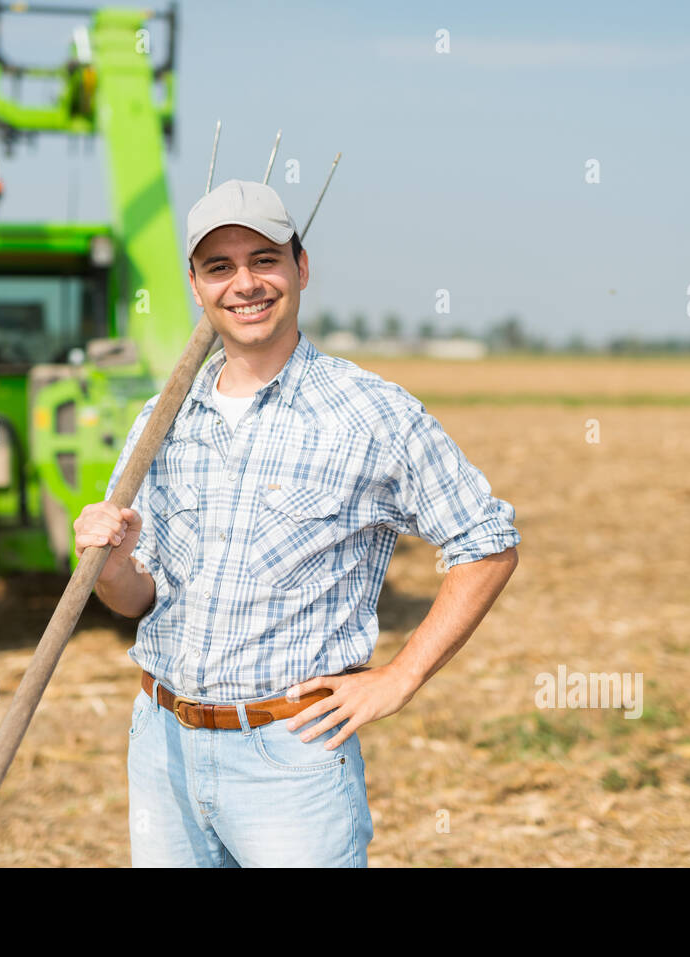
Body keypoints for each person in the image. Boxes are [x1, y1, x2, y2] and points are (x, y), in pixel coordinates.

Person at [73, 179, 520, 867]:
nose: (244, 283)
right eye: (219, 267)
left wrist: (399, 677)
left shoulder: (371, 413)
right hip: (163, 745)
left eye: (264, 259)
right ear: (195, 284)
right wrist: (110, 566)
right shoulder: (161, 419)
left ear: (301, 268)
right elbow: (139, 599)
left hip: (290, 761)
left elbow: (486, 542)